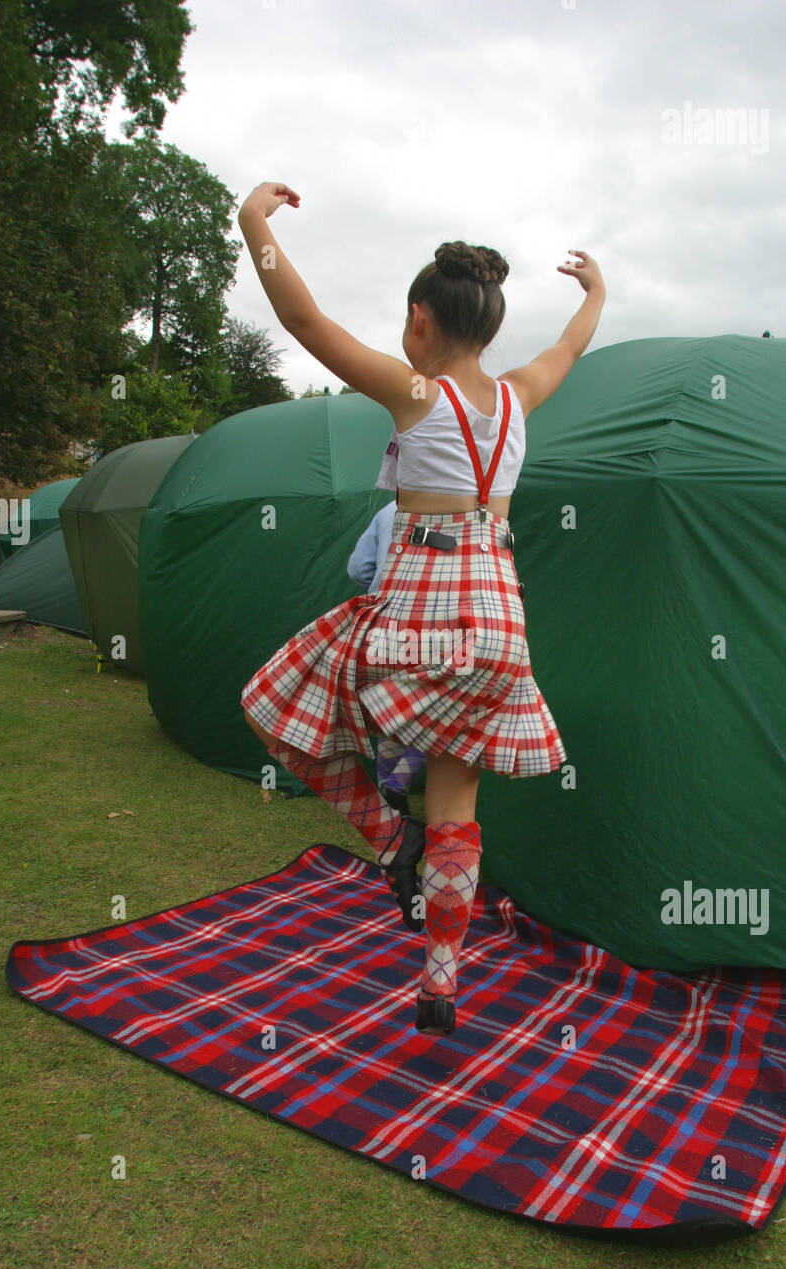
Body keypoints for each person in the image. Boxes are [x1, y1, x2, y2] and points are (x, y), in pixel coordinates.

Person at [238, 180, 606, 1036]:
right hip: (499, 626)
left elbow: (302, 321)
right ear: (491, 328)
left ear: (418, 321)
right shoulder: (520, 396)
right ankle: (440, 980)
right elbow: (570, 345)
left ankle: (386, 834)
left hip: (419, 617)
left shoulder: (416, 394)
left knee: (274, 706)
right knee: (455, 804)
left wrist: (253, 223)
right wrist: (596, 293)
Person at [347, 499, 427, 818]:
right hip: (428, 622)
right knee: (440, 711)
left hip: (380, 619)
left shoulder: (388, 510)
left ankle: (390, 803)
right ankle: (398, 783)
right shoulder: (458, 508)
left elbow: (358, 568)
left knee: (389, 711)